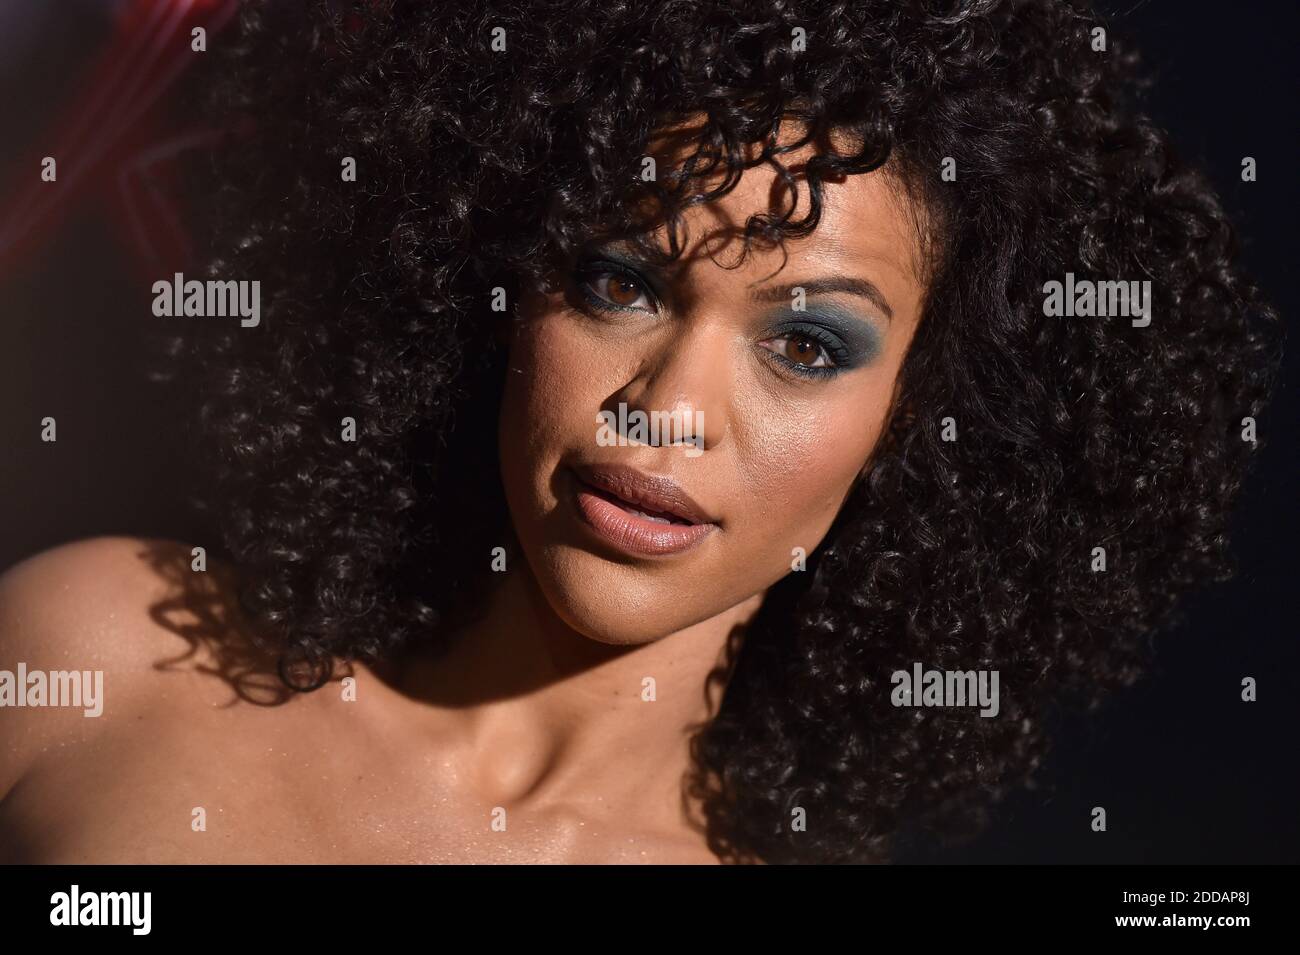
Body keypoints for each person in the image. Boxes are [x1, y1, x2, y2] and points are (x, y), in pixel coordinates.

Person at [0, 0, 1281, 864]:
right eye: (621, 282)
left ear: (922, 426)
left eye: (807, 345)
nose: (667, 408)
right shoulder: (98, 650)